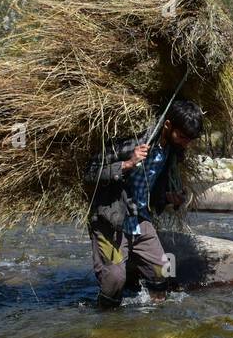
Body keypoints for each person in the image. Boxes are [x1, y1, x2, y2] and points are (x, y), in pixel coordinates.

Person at [82, 99, 203, 306]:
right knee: (114, 280)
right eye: (182, 136)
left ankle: (155, 323)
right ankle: (106, 327)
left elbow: (149, 193)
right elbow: (90, 172)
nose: (185, 143)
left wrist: (168, 198)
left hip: (140, 219)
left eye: (188, 140)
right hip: (110, 217)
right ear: (167, 125)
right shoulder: (134, 142)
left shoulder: (171, 152)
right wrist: (127, 164)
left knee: (162, 272)